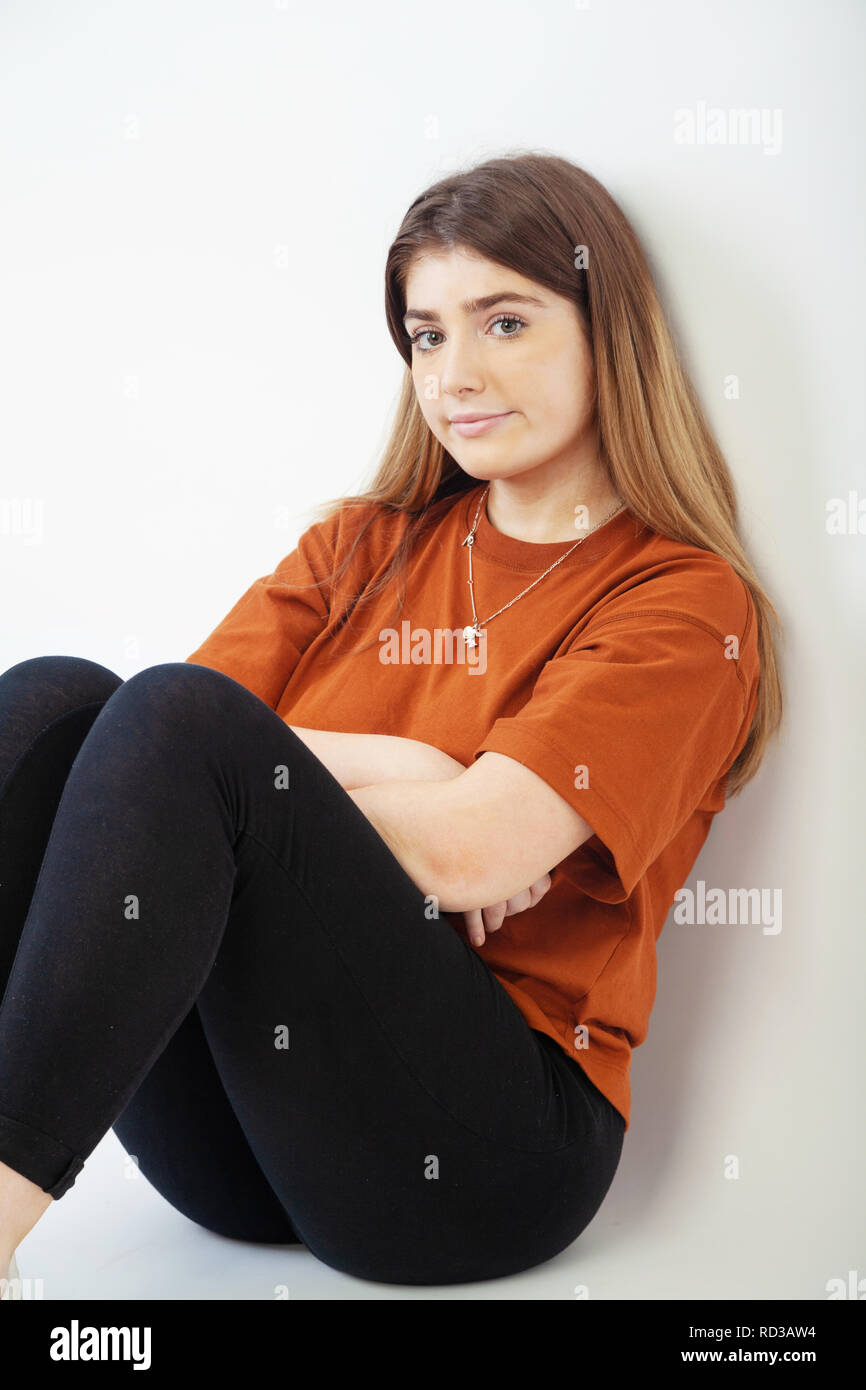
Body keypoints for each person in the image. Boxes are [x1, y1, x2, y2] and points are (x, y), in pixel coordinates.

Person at [0, 151, 783, 1293]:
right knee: (57, 704)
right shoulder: (363, 545)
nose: (455, 373)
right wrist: (423, 766)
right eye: (425, 335)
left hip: (475, 1160)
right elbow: (137, 766)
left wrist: (396, 811)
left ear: (605, 328)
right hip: (250, 1137)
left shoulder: (679, 603)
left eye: (503, 322)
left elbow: (473, 851)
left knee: (167, 721)